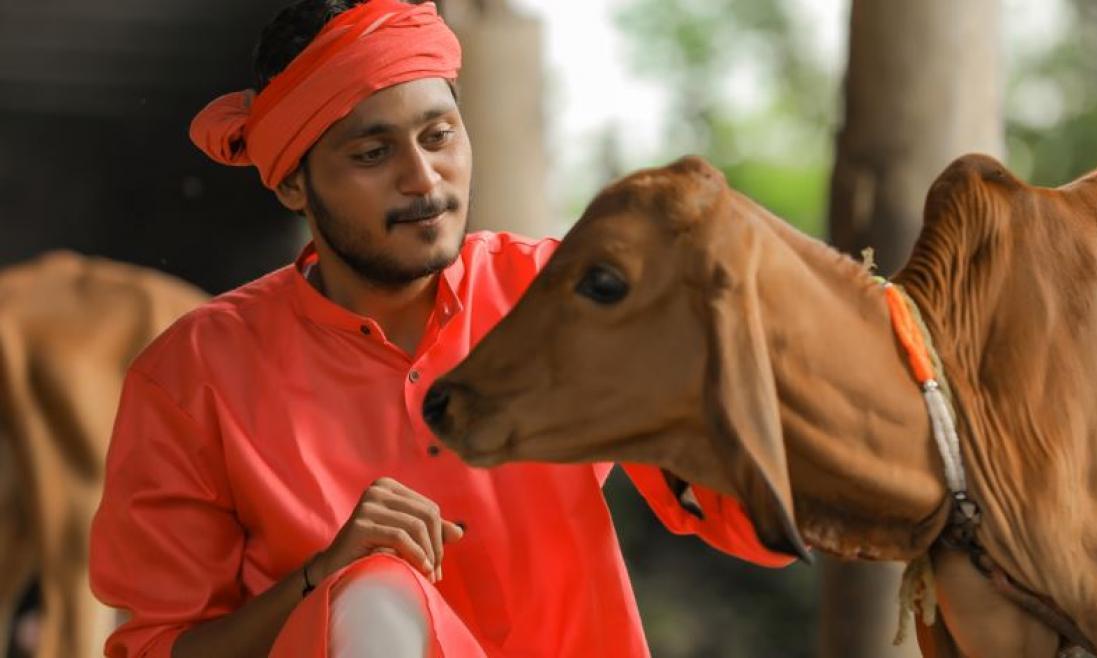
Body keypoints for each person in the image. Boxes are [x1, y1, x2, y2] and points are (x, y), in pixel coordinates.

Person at [88, 1, 793, 656]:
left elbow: (757, 514)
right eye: (373, 154)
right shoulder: (193, 373)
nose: (424, 180)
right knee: (371, 593)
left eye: (438, 136)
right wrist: (321, 578)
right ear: (292, 185)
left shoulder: (562, 295)